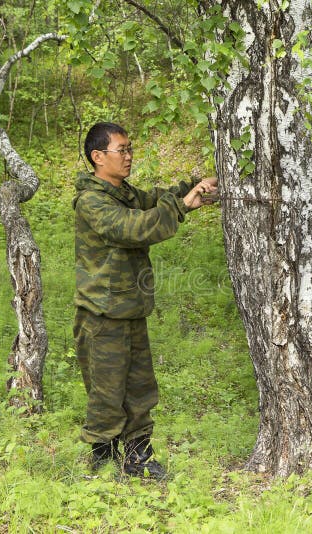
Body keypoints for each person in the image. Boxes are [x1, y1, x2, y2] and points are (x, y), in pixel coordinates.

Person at [73, 122, 217, 478]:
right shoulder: (92, 201)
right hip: (102, 314)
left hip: (130, 308)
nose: (128, 156)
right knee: (107, 392)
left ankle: (138, 457)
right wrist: (182, 206)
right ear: (98, 157)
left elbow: (152, 200)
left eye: (130, 149)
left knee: (139, 387)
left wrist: (193, 187)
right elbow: (133, 229)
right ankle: (103, 461)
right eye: (121, 150)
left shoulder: (122, 193)